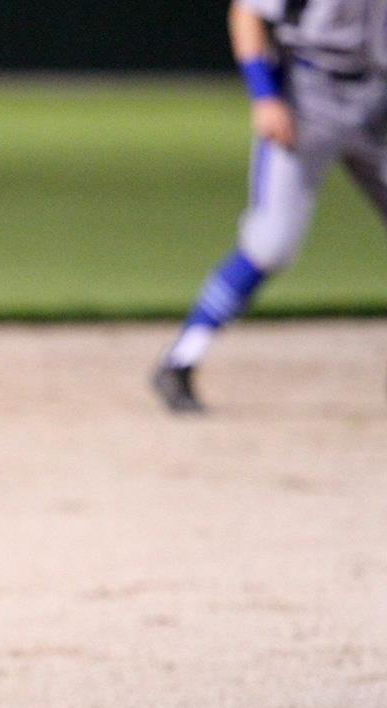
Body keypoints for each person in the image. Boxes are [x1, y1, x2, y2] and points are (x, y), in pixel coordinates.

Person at [152, 0, 387, 413]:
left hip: (377, 98)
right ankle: (182, 359)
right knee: (271, 244)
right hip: (307, 96)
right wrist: (265, 96)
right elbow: (246, 13)